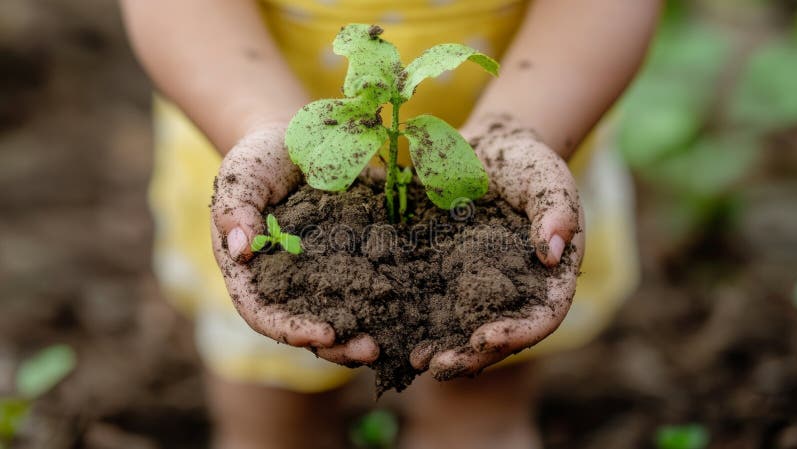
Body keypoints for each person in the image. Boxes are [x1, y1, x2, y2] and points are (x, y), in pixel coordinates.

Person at [121, 0, 661, 447]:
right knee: (272, 418)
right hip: (261, 147)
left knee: (479, 409)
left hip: (524, 147)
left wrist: (523, 127)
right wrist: (264, 125)